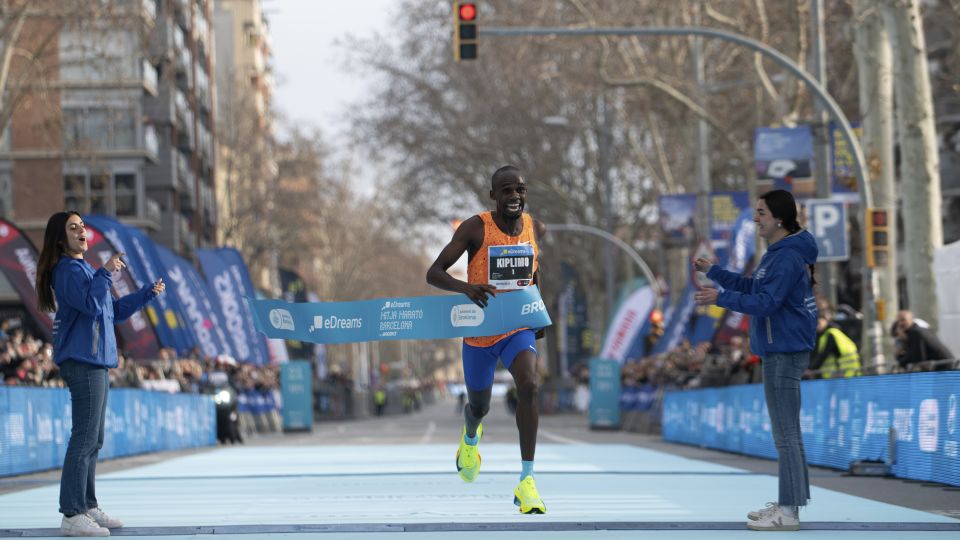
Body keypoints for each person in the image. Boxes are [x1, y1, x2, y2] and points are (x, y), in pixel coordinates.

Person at [693, 189, 817, 532]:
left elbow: (766, 302)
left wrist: (721, 298)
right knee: (786, 433)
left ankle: (789, 512)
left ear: (779, 218)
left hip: (785, 348)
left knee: (786, 434)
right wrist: (717, 273)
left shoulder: (787, 257)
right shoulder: (778, 253)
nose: (755, 218)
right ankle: (790, 503)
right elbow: (753, 286)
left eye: (760, 212)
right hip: (778, 347)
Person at [426, 165, 547, 514]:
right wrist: (467, 288)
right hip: (480, 331)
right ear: (493, 195)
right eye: (506, 191)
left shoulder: (533, 227)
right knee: (479, 406)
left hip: (517, 327)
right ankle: (469, 438)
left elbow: (534, 272)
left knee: (529, 384)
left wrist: (538, 312)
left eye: (520, 190)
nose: (514, 196)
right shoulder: (476, 227)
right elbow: (433, 273)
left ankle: (527, 481)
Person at [35, 211, 164, 537]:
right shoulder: (66, 271)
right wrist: (105, 274)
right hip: (82, 360)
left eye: (82, 226)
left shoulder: (86, 271)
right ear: (61, 238)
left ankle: (87, 505)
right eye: (73, 227)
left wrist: (145, 294)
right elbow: (92, 306)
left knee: (94, 439)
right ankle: (72, 513)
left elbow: (113, 311)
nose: (81, 231)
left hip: (97, 361)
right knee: (83, 438)